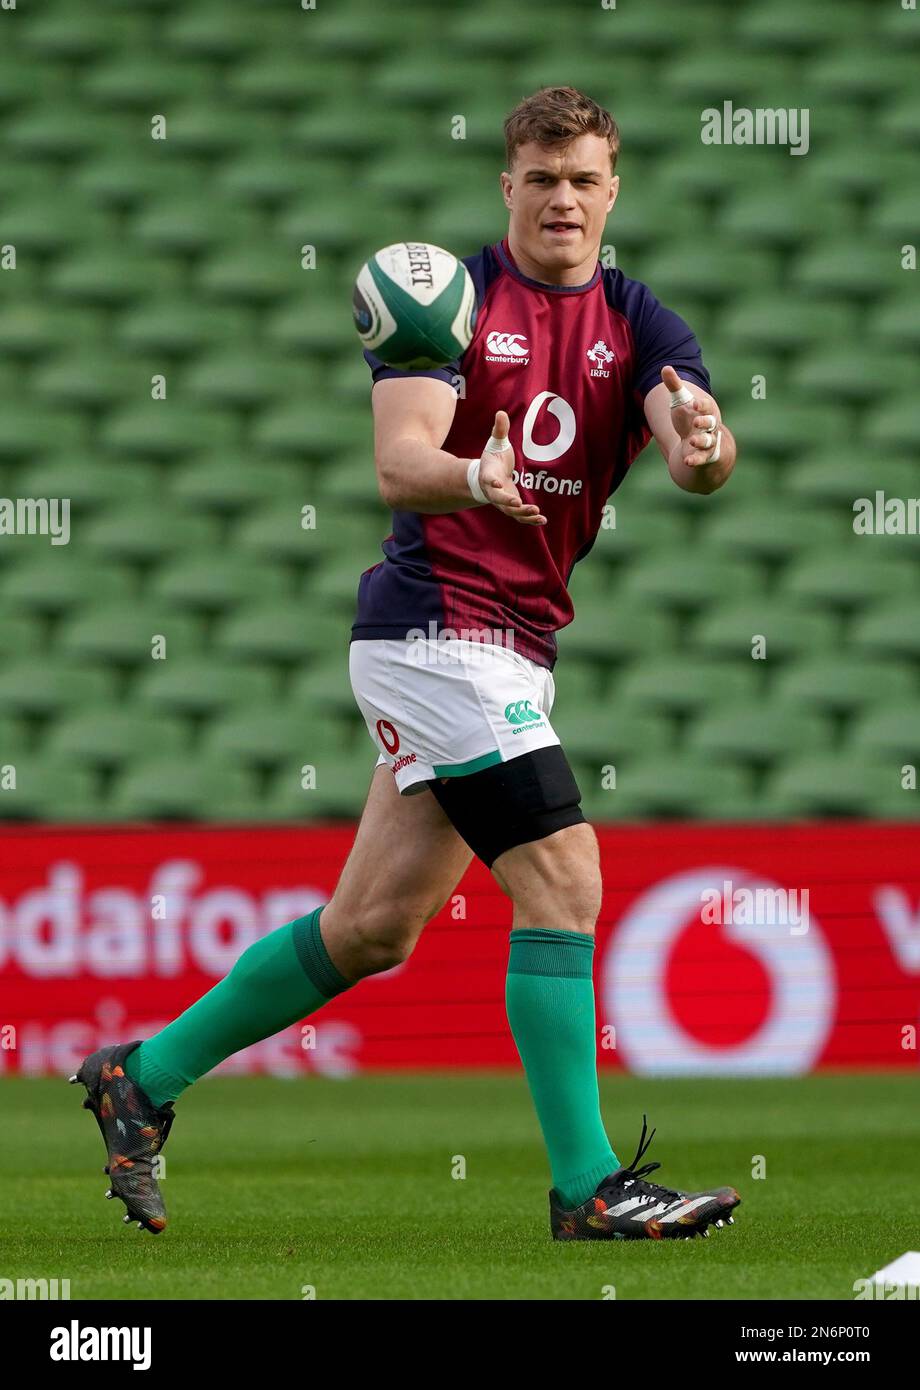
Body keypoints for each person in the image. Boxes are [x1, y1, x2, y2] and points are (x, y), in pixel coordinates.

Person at [73, 86, 740, 1242]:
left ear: (612, 190)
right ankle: (587, 1188)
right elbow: (399, 461)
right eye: (542, 179)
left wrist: (704, 442)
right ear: (507, 185)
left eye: (583, 179)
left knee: (373, 926)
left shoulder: (640, 322)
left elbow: (695, 455)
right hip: (436, 629)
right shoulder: (449, 297)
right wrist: (474, 474)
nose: (563, 199)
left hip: (513, 644)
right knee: (563, 874)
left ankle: (143, 1076)